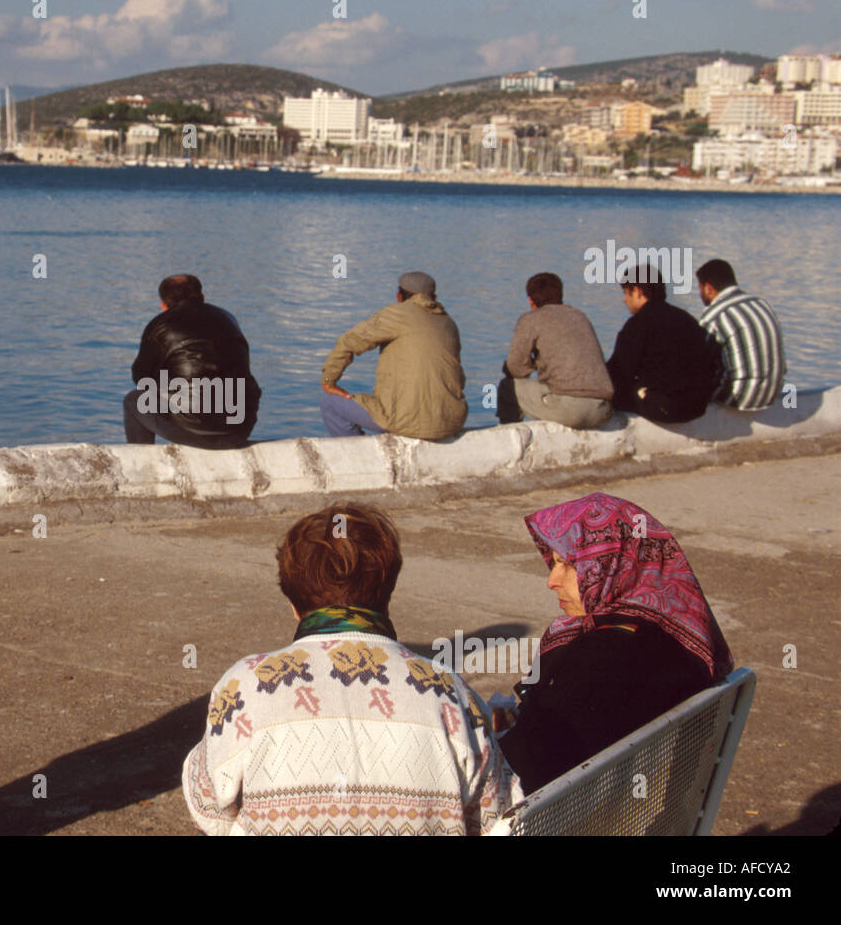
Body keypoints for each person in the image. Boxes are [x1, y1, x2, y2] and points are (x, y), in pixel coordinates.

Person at [182, 503, 521, 835]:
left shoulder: (246, 683)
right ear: (387, 592)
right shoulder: (448, 690)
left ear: (293, 603)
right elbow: (498, 819)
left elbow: (210, 811)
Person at [497, 492, 734, 794]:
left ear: (612, 563)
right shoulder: (674, 636)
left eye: (568, 565)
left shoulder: (605, 658)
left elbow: (526, 769)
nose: (552, 580)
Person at [320, 271, 466, 439]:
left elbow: (349, 342)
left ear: (398, 296)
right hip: (452, 421)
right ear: (434, 297)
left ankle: (360, 457)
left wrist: (328, 381)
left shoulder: (397, 313)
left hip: (405, 422)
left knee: (330, 404)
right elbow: (458, 377)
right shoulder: (449, 323)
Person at [124, 274, 261, 448]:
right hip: (240, 428)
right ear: (202, 298)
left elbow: (141, 379)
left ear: (163, 305)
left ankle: (142, 465)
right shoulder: (228, 319)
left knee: (134, 401)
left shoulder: (160, 325)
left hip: (196, 433)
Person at [605, 264, 722, 423]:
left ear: (638, 291)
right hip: (698, 405)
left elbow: (618, 372)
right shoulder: (686, 319)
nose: (625, 300)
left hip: (668, 408)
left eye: (627, 293)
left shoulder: (637, 325)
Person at [498, 272, 614, 429]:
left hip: (571, 410)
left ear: (531, 300)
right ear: (560, 295)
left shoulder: (531, 319)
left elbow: (516, 369)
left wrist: (526, 365)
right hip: (602, 409)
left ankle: (509, 438)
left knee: (507, 388)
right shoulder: (580, 316)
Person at [696, 259, 786, 412]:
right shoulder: (761, 303)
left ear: (709, 288)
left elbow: (698, 361)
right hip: (772, 393)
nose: (699, 293)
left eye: (700, 288)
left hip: (739, 398)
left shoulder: (714, 315)